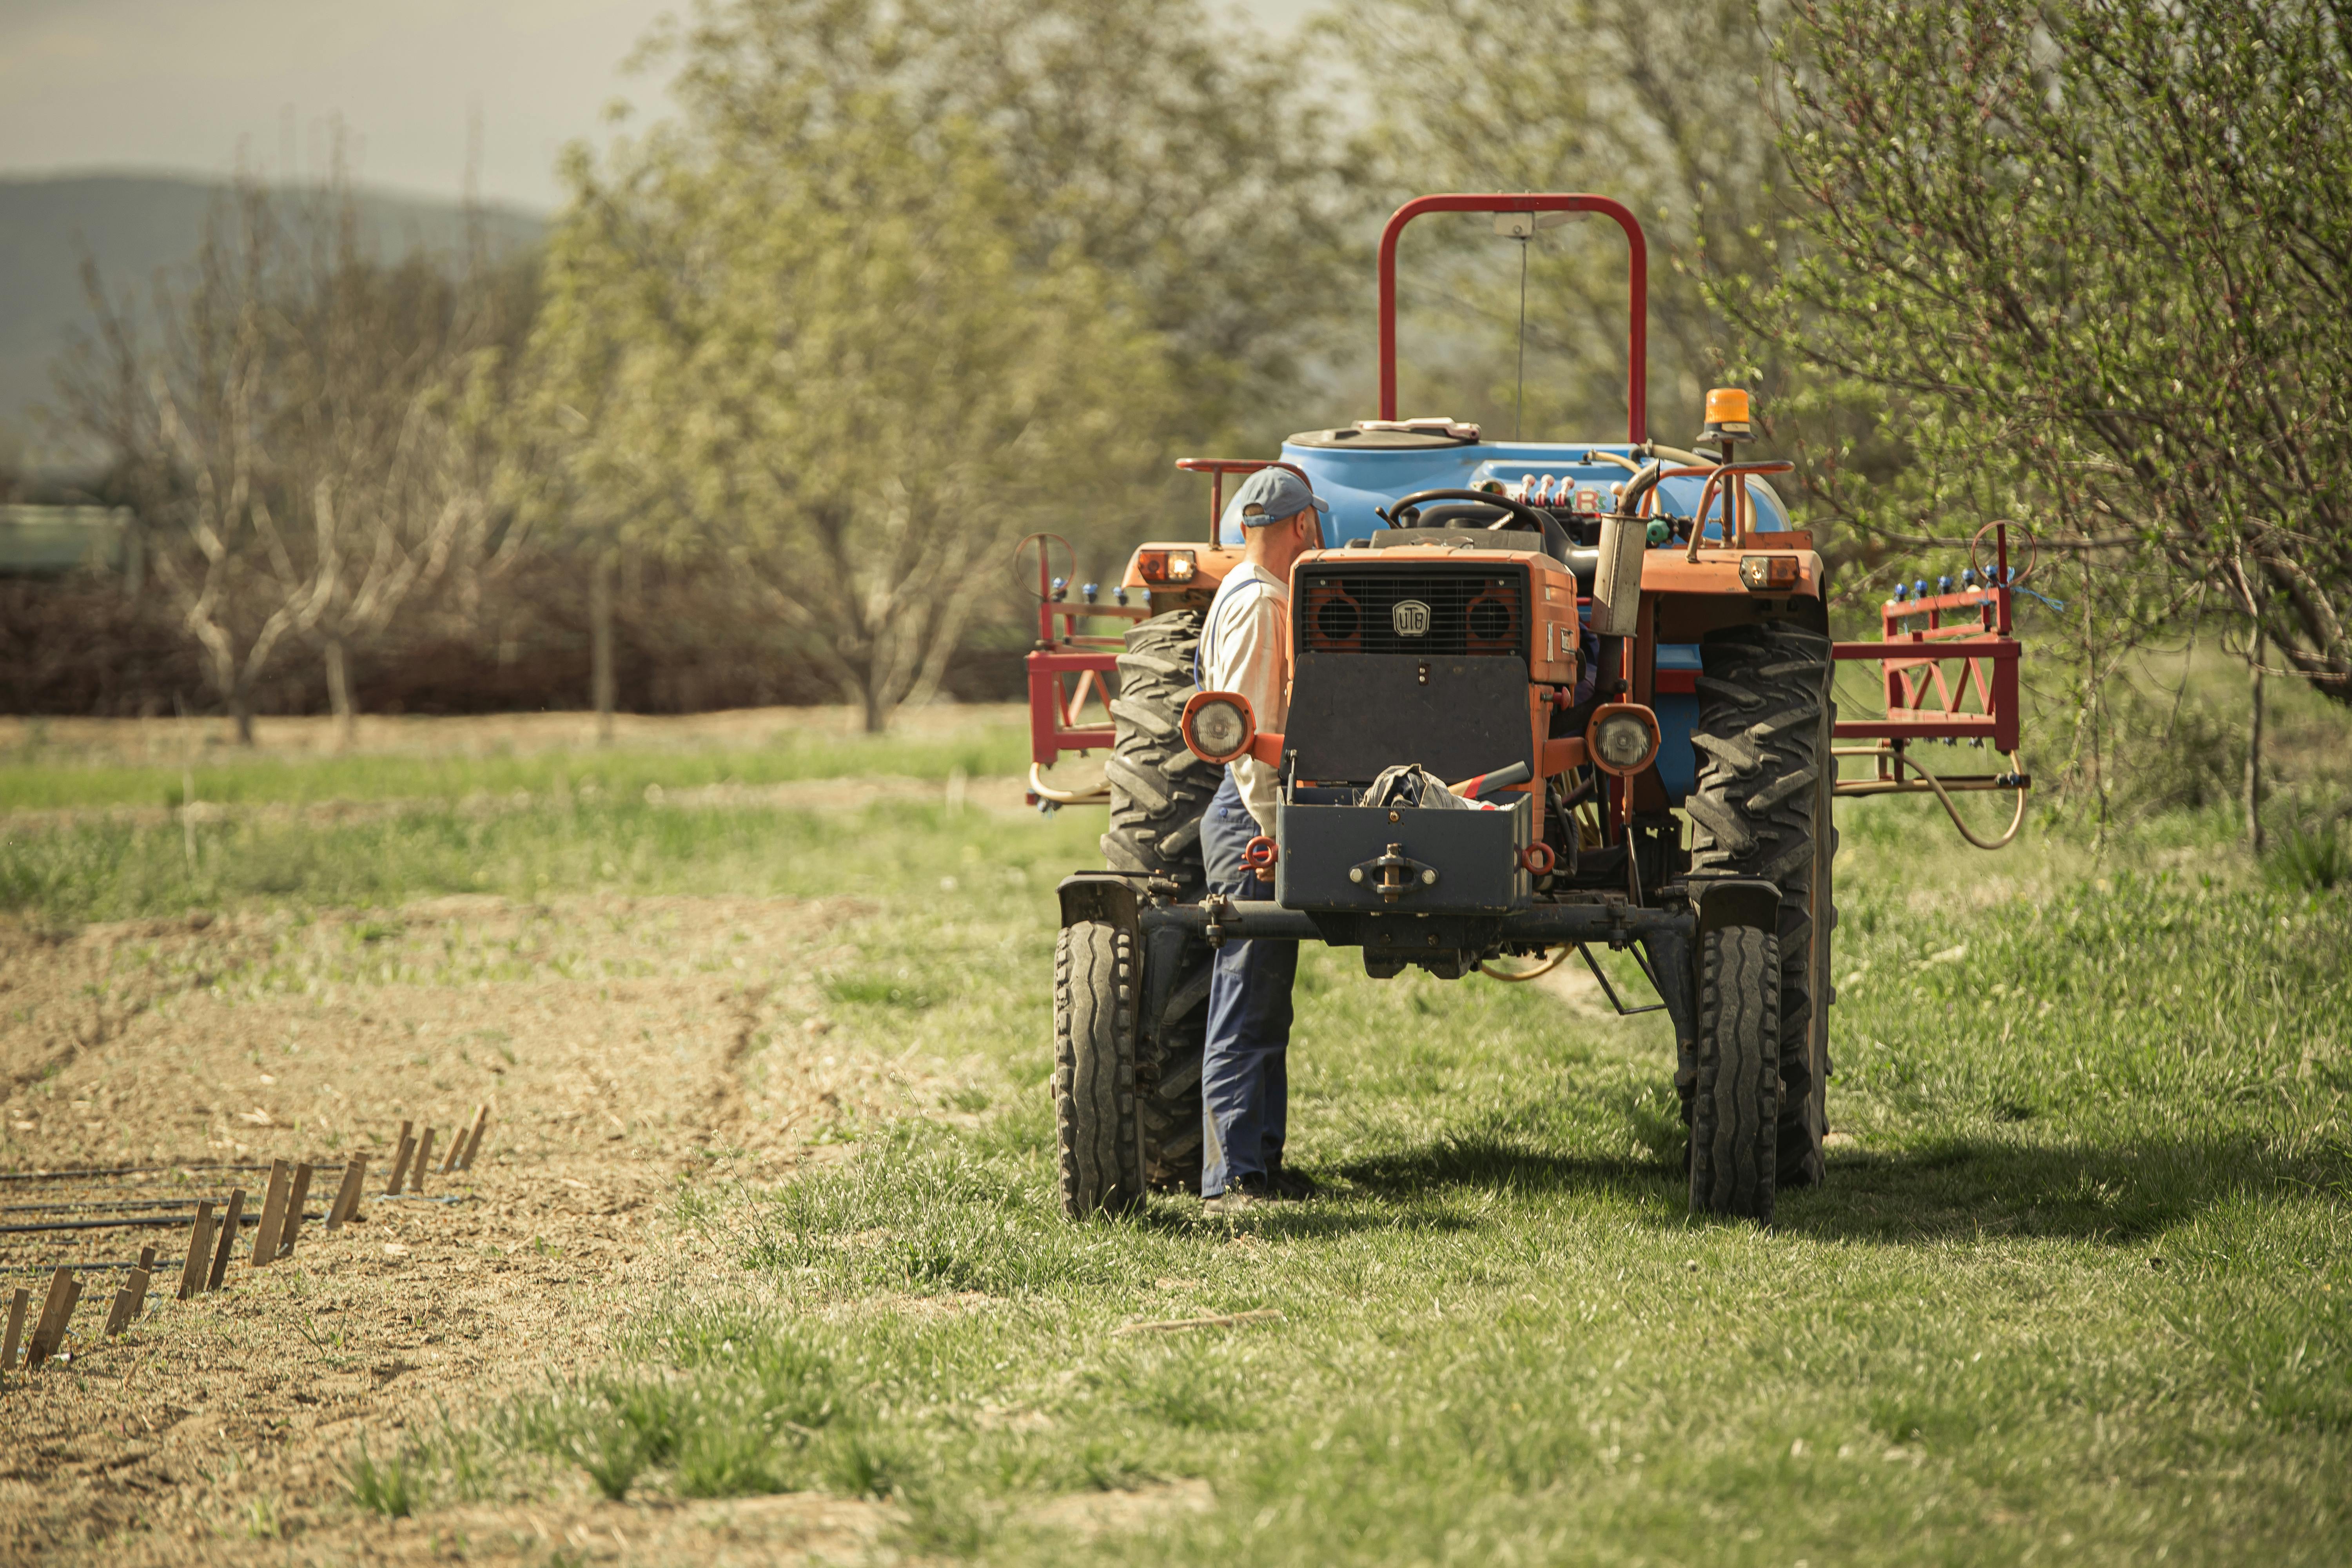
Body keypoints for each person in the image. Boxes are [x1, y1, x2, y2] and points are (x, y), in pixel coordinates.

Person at [1198, 465, 1327, 1210]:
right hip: (1251, 814)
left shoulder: (1244, 590)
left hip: (1254, 812)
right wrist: (1275, 831)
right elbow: (1246, 734)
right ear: (1303, 526)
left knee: (1265, 1000)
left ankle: (1263, 1166)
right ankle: (1232, 1180)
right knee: (1245, 997)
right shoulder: (1259, 604)